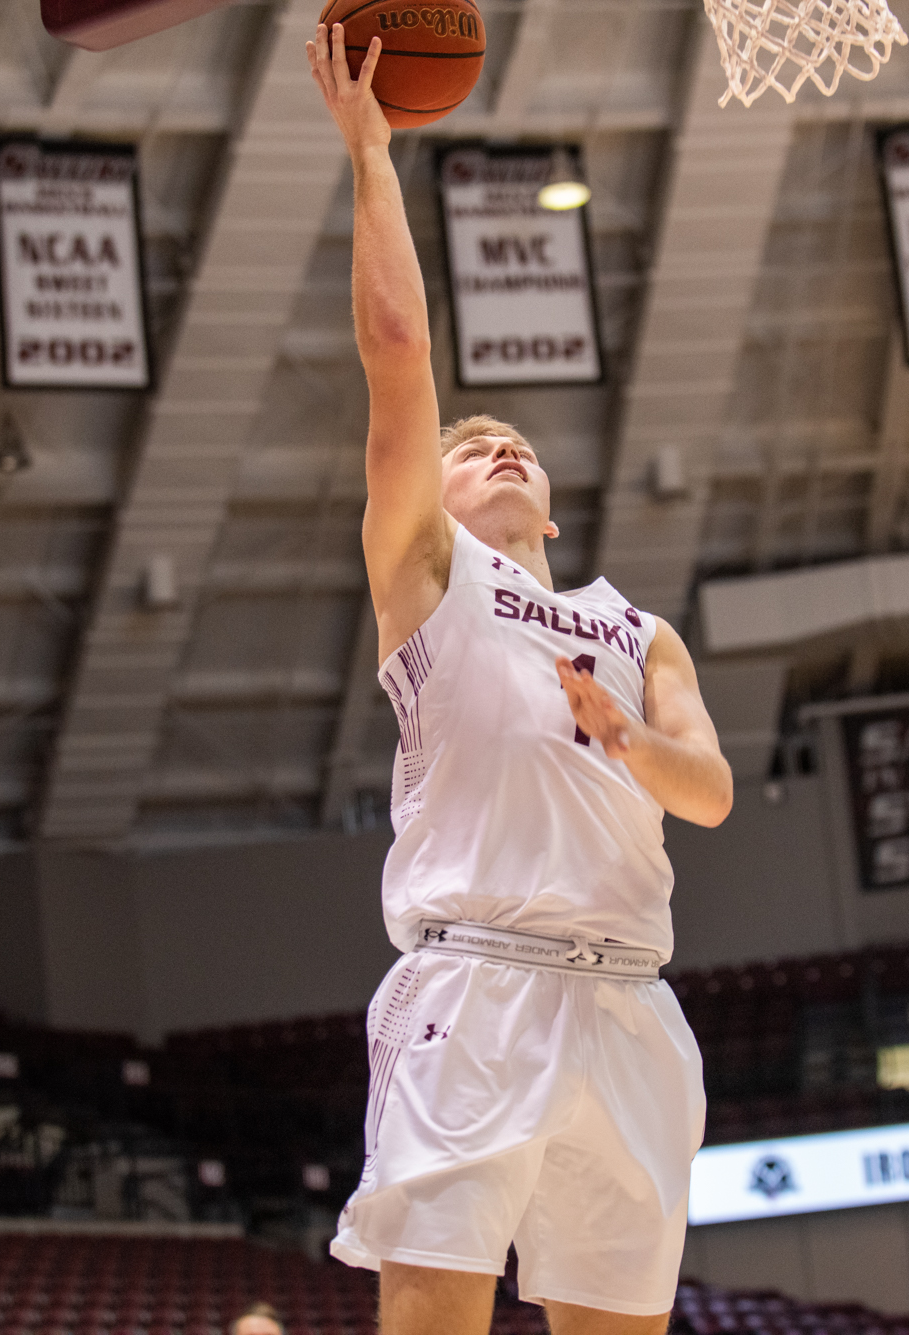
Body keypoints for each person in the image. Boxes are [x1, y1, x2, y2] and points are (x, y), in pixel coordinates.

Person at [305, 21, 733, 1335]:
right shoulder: (430, 580)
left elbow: (708, 792)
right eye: (468, 444)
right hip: (475, 985)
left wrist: (624, 742)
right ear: (423, 499)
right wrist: (374, 158)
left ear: (549, 509)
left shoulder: (640, 629)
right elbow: (394, 349)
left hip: (630, 1000)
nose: (493, 448)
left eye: (515, 450)